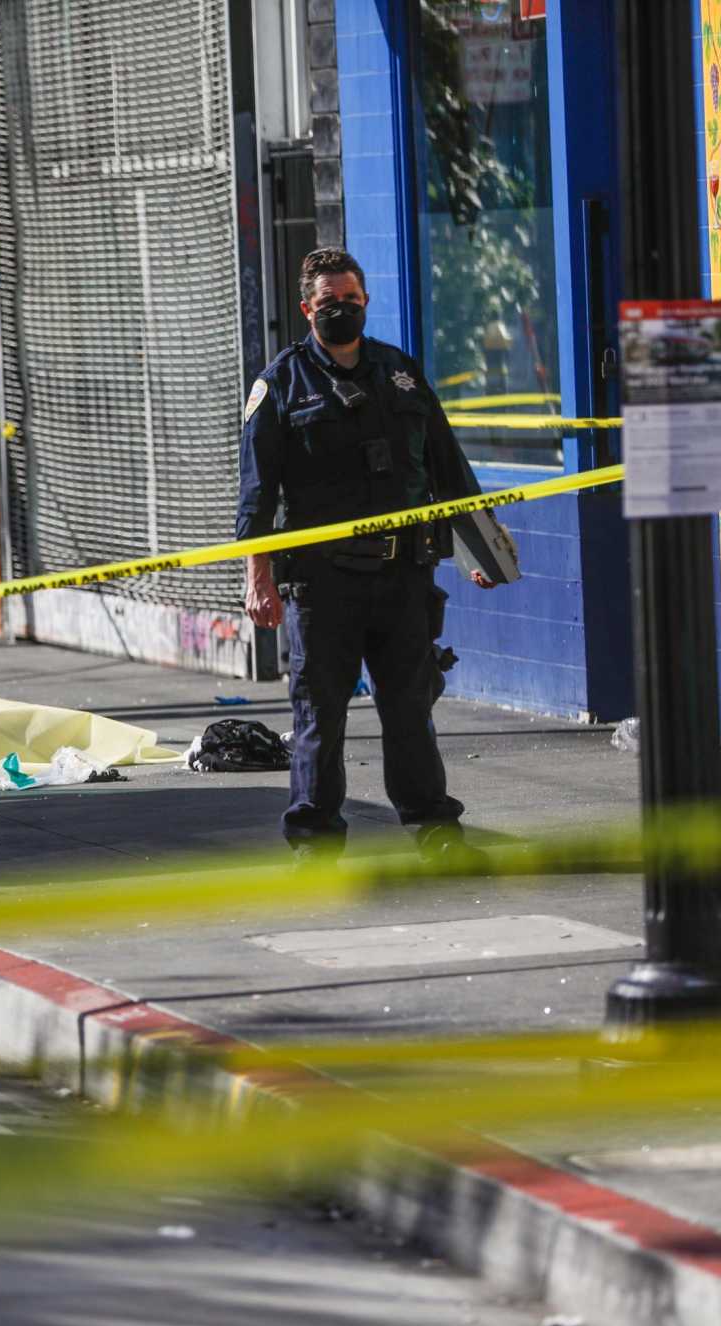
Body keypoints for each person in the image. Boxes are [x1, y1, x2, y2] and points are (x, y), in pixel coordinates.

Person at [237, 246, 500, 863]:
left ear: (366, 301)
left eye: (351, 300)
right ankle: (315, 845)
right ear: (307, 309)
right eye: (329, 303)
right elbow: (256, 494)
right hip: (322, 586)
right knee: (319, 719)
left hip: (402, 577)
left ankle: (436, 831)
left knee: (410, 711)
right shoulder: (279, 384)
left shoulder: (399, 372)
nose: (342, 311)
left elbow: (448, 469)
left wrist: (482, 550)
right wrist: (259, 580)